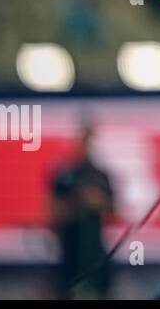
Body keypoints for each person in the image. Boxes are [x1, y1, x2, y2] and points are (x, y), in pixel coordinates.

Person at [48, 122, 115, 299]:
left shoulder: (100, 175)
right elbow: (53, 211)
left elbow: (113, 210)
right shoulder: (65, 175)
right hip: (70, 252)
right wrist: (79, 205)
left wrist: (99, 203)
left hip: (95, 254)